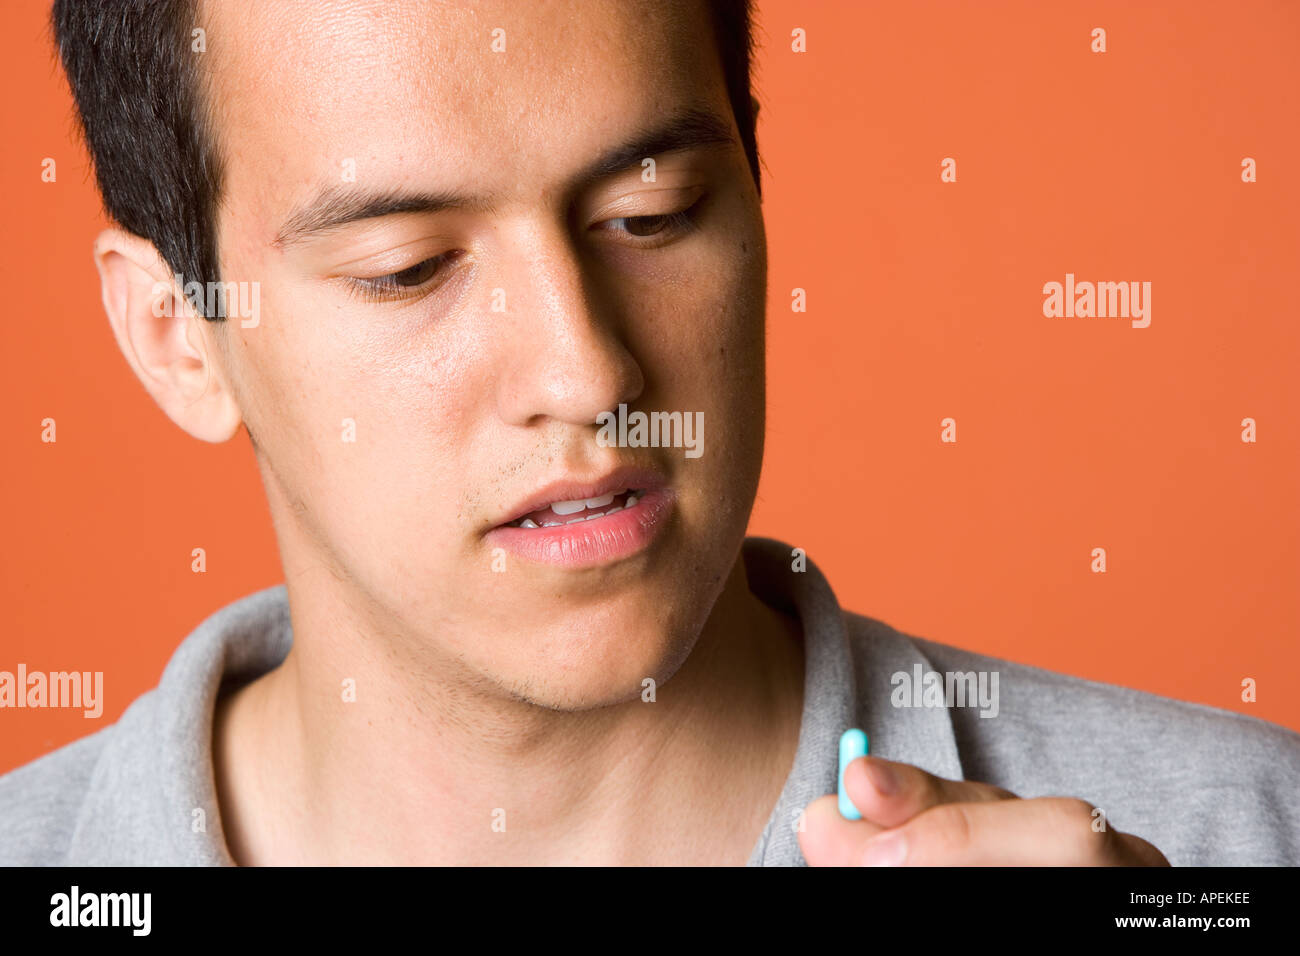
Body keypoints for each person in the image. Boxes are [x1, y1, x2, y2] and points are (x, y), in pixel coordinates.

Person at [2, 0, 1296, 866]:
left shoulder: (1247, 835)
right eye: (407, 269)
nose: (587, 370)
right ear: (181, 337)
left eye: (654, 212)